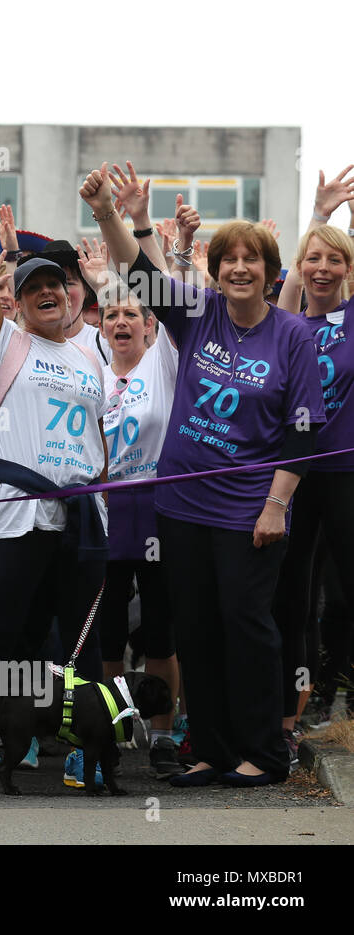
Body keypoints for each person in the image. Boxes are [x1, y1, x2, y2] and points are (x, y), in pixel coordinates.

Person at [81, 161, 324, 787]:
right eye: (228, 260)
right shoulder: (201, 315)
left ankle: (263, 752)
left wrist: (277, 505)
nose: (239, 269)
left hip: (249, 512)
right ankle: (211, 749)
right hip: (182, 510)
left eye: (253, 260)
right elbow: (137, 272)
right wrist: (112, 211)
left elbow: (303, 429)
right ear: (215, 270)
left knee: (247, 628)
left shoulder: (293, 335)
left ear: (271, 274)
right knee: (196, 629)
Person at [0, 159, 109, 790]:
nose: (48, 292)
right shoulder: (6, 344)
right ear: (17, 298)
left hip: (82, 519)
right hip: (19, 516)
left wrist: (109, 271)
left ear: (73, 293)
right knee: (3, 634)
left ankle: (81, 745)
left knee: (79, 643)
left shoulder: (93, 352)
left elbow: (138, 308)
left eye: (59, 285)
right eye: (33, 285)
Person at [272, 220, 354, 764]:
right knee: (290, 597)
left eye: (335, 260)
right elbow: (278, 310)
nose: (322, 268)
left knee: (346, 592)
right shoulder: (285, 325)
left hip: (345, 472)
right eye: (312, 258)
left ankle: (339, 697)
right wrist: (318, 211)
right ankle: (287, 715)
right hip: (292, 473)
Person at [96, 294, 184, 779]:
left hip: (157, 507)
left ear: (149, 327)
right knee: (108, 632)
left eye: (132, 314)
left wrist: (176, 254)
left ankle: (166, 733)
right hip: (108, 509)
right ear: (102, 327)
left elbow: (173, 305)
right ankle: (116, 728)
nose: (122, 321)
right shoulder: (93, 368)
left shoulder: (161, 362)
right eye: (112, 314)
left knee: (159, 631)